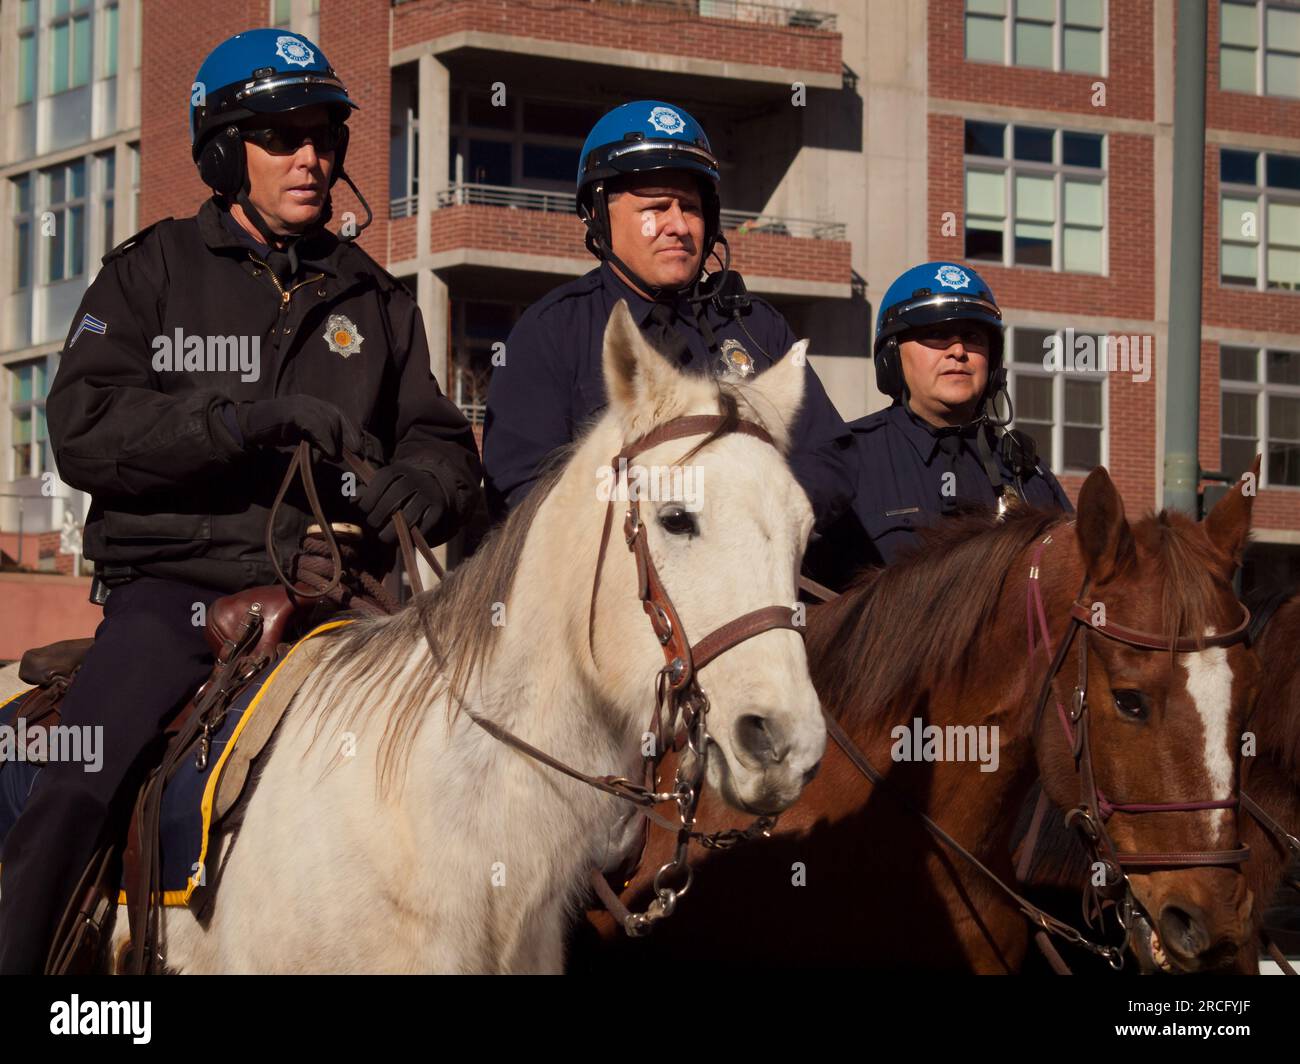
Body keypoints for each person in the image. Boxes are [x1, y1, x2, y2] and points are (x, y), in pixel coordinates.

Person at [0, 28, 481, 973]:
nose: (312, 157)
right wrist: (238, 424)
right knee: (78, 783)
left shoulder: (377, 299)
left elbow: (441, 441)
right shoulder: (149, 270)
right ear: (224, 153)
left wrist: (427, 483)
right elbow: (85, 427)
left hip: (344, 599)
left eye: (324, 136)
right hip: (176, 592)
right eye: (281, 136)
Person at [481, 100, 854, 528]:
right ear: (599, 218)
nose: (678, 226)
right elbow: (523, 490)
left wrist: (753, 502)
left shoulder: (757, 327)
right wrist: (672, 505)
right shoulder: (552, 331)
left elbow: (831, 462)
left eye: (690, 207)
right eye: (656, 208)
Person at [805, 261, 1071, 589]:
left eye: (972, 337)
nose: (958, 351)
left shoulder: (1028, 475)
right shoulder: (842, 462)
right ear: (891, 356)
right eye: (935, 334)